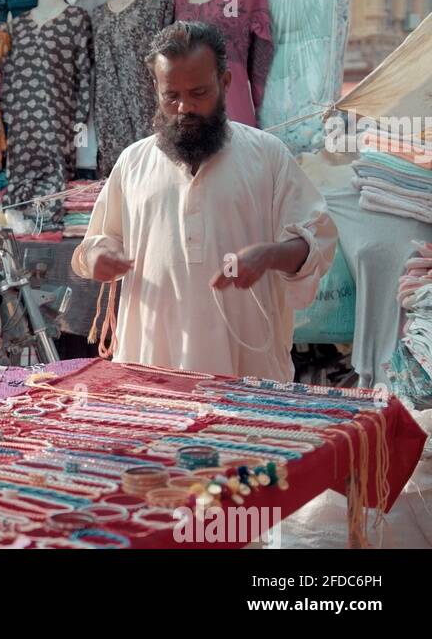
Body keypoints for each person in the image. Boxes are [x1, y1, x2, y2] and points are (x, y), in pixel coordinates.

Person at [71, 21, 337, 381]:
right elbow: (91, 247)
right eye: (172, 96)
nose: (184, 108)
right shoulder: (133, 162)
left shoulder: (267, 155)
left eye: (198, 93)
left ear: (225, 83)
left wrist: (269, 255)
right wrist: (99, 257)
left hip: (248, 374)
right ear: (156, 89)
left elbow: (319, 241)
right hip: (152, 372)